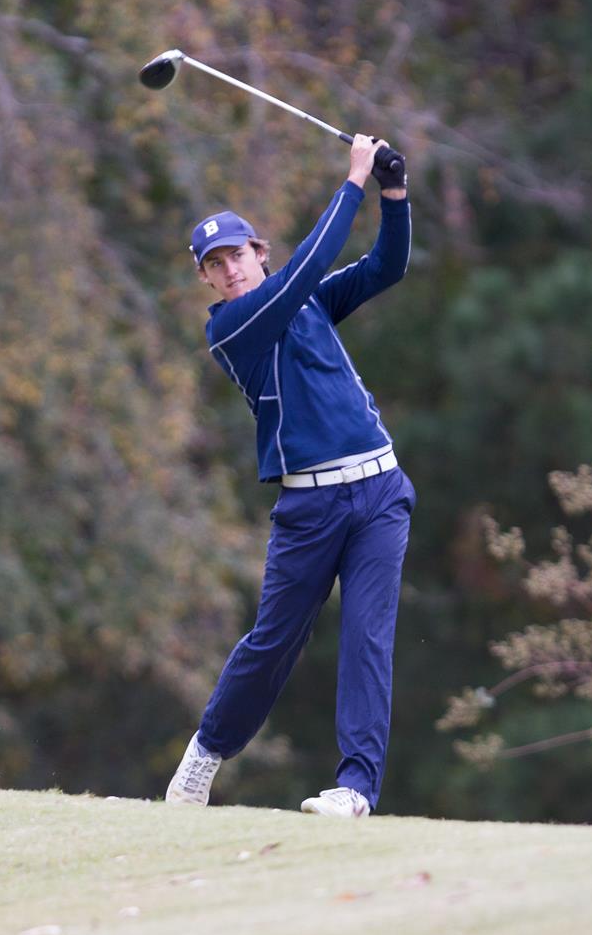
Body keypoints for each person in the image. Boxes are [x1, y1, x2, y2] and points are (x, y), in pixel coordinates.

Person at [165, 133, 413, 818]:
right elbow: (308, 267)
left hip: (380, 491)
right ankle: (205, 755)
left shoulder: (304, 301)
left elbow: (385, 267)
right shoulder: (234, 327)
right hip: (309, 509)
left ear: (258, 253)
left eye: (238, 255)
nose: (231, 270)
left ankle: (357, 788)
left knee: (368, 637)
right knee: (274, 642)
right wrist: (354, 180)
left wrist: (393, 193)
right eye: (216, 264)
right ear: (208, 280)